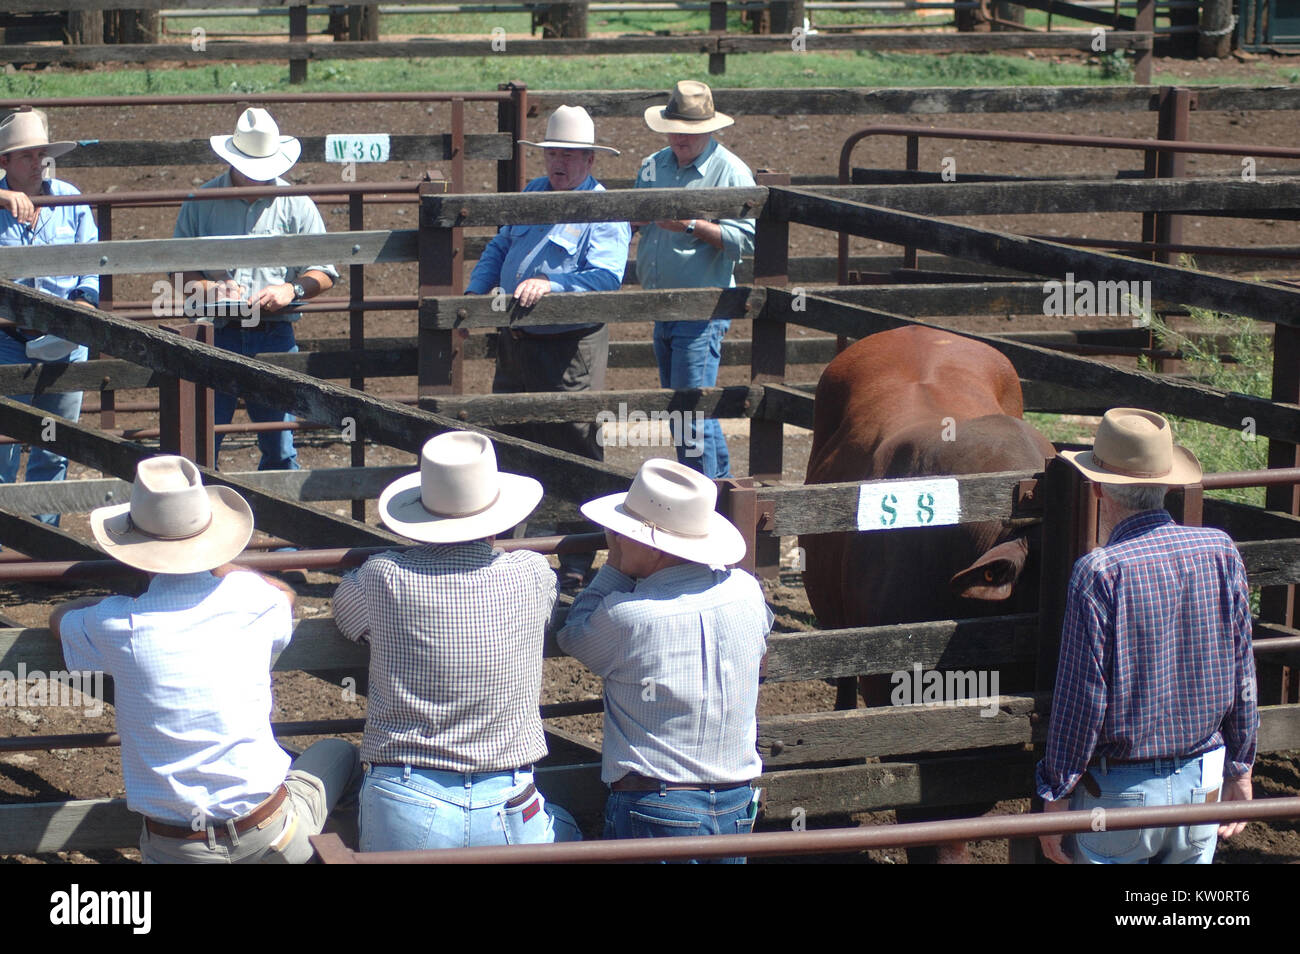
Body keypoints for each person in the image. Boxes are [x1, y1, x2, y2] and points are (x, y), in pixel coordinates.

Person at [50, 455, 360, 863]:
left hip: (175, 846)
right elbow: (286, 595)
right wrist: (223, 562)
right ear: (210, 537)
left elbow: (57, 618)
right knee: (342, 754)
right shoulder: (251, 599)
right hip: (269, 832)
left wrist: (108, 601)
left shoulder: (116, 621)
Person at [332, 430, 580, 852]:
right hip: (507, 791)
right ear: (499, 517)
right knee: (569, 828)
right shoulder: (532, 575)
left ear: (421, 516)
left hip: (406, 789)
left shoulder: (382, 577)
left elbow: (345, 608)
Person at [1036, 408, 1258, 865]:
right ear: (1166, 484)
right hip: (1202, 783)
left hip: (1120, 794)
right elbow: (1243, 674)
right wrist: (1241, 768)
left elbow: (1083, 699)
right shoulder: (1221, 551)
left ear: (1098, 487)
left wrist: (1056, 792)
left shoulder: (1099, 572)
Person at [557, 457, 772, 863]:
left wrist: (615, 569)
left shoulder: (626, 616)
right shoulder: (746, 590)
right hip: (736, 803)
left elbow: (574, 633)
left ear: (652, 545)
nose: (615, 538)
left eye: (624, 533)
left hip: (657, 806)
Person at [466, 105, 631, 593]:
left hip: (568, 344)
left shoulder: (603, 210)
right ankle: (507, 552)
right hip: (517, 338)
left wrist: (553, 285)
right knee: (512, 439)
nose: (559, 162)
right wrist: (476, 295)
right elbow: (499, 246)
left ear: (589, 160)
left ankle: (576, 558)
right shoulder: (534, 193)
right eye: (553, 153)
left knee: (572, 441)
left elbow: (605, 277)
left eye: (570, 155)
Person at [173, 107, 338, 471]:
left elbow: (324, 272)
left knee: (278, 446)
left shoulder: (296, 203)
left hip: (272, 331)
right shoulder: (200, 202)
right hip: (217, 333)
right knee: (204, 443)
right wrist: (211, 289)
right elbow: (179, 272)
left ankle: (279, 521)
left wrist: (292, 290)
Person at [634, 81, 756, 480]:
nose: (679, 139)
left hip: (702, 307)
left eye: (687, 132)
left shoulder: (731, 171)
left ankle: (702, 498)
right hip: (663, 304)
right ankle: (718, 491)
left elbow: (745, 240)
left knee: (689, 411)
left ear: (708, 130)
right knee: (687, 409)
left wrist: (689, 224)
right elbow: (633, 216)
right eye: (674, 130)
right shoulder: (654, 165)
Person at [0, 107, 98, 524]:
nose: (39, 162)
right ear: (3, 162)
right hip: (8, 338)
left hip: (65, 338)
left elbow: (92, 264)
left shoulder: (70, 199)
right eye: (27, 155)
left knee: (55, 442)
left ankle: (45, 539)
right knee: (2, 446)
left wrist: (83, 307)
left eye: (42, 154)